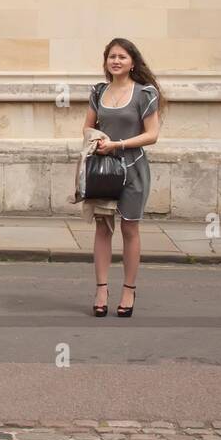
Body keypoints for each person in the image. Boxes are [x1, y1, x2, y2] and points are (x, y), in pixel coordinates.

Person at [83, 38, 163, 318]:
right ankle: (102, 289)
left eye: (122, 57)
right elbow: (87, 126)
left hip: (133, 168)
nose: (116, 61)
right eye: (111, 57)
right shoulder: (98, 91)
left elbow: (151, 135)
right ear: (106, 61)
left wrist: (118, 144)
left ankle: (128, 290)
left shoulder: (144, 94)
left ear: (132, 63)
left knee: (130, 230)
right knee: (103, 227)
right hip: (104, 170)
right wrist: (98, 140)